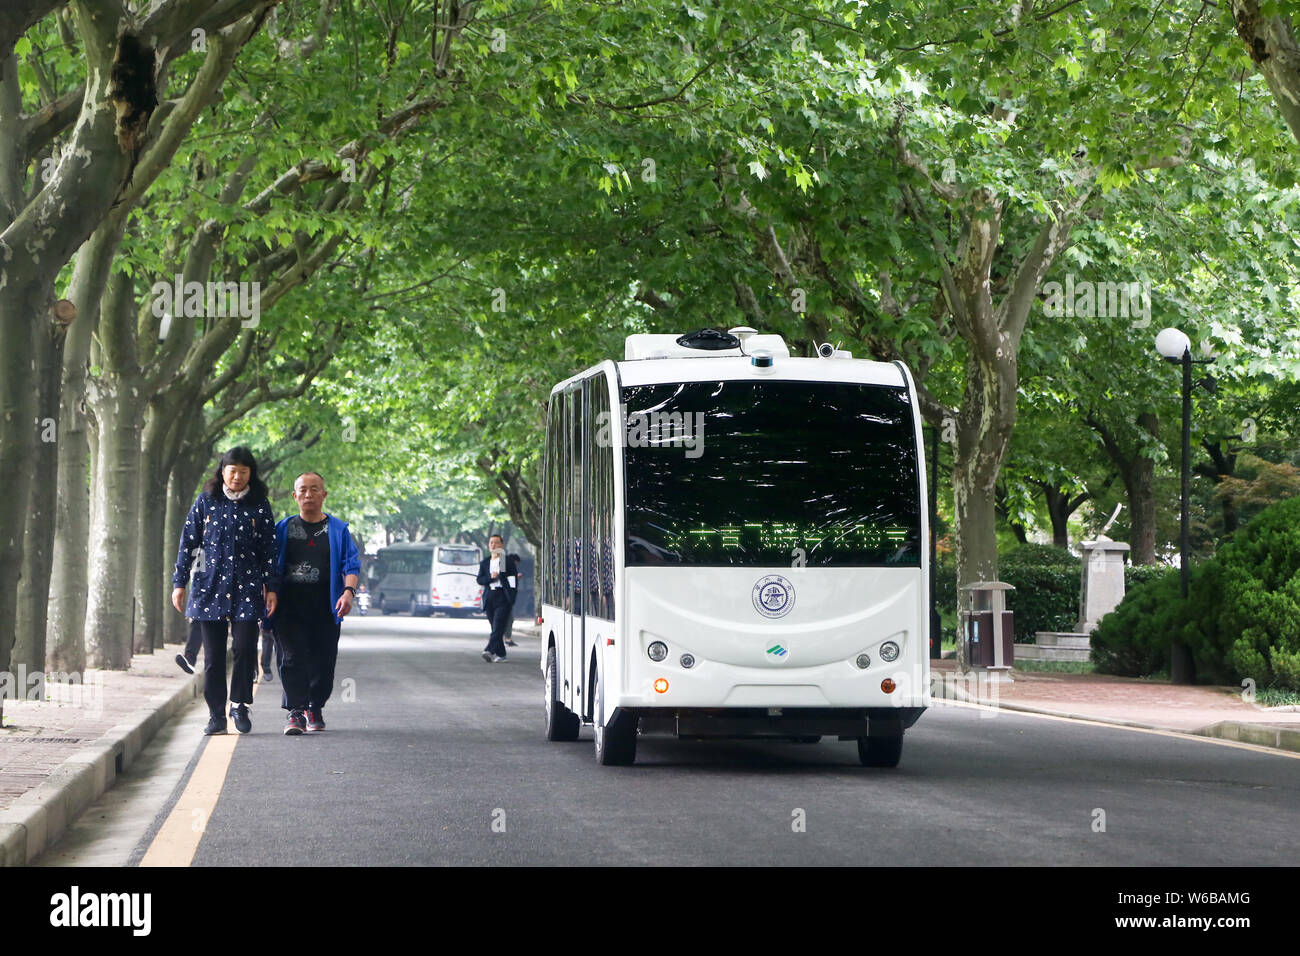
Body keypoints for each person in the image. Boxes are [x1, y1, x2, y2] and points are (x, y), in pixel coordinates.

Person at [171, 446, 279, 735]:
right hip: (210, 587)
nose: (237, 476)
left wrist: (272, 587)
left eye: (244, 472)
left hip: (248, 587)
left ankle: (240, 705)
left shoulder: (259, 505)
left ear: (250, 475)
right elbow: (188, 544)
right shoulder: (205, 502)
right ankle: (216, 715)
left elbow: (269, 549)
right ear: (222, 472)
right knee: (215, 657)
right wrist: (179, 583)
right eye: (232, 470)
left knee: (244, 648)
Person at [267, 472, 361, 735]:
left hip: (325, 605)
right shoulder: (282, 529)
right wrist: (270, 592)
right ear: (295, 496)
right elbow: (270, 565)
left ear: (324, 494)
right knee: (292, 656)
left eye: (314, 489)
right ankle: (296, 712)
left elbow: (351, 563)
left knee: (323, 661)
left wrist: (348, 592)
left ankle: (314, 706)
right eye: (303, 490)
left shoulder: (339, 530)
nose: (308, 495)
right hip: (289, 605)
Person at [477, 535, 519, 662]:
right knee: (495, 626)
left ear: (502, 545)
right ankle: (501, 653)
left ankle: (489, 650)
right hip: (490, 596)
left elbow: (512, 580)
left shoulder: (505, 561)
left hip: (503, 596)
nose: (493, 545)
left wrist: (511, 598)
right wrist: (491, 578)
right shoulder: (485, 562)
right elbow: (480, 579)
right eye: (491, 543)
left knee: (498, 625)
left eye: (496, 543)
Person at [503, 552, 522, 647]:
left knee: (508, 618)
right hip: (506, 598)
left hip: (508, 597)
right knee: (509, 618)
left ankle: (506, 637)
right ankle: (507, 638)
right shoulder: (506, 567)